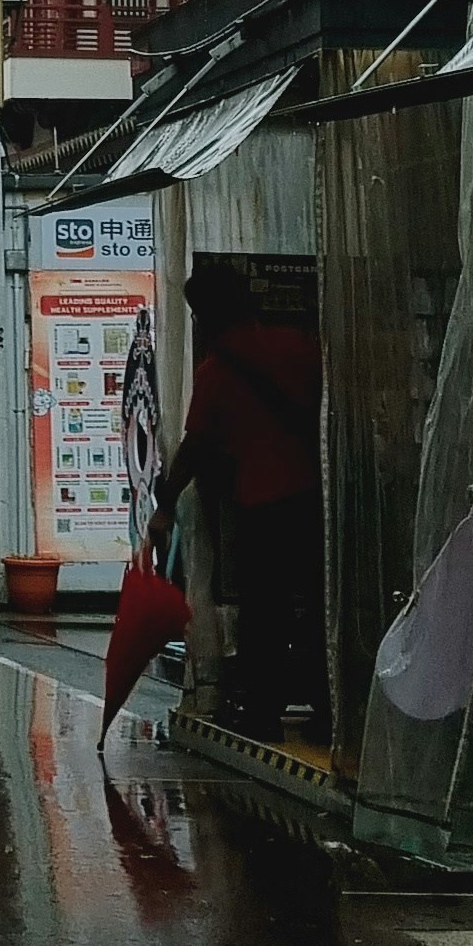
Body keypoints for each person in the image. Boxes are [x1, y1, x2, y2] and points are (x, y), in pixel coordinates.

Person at [156, 257, 325, 741]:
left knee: (264, 613)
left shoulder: (216, 372)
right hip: (314, 499)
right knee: (314, 606)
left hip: (262, 502)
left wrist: (165, 506)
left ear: (204, 317)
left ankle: (262, 714)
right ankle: (325, 711)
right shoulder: (298, 346)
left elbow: (193, 448)